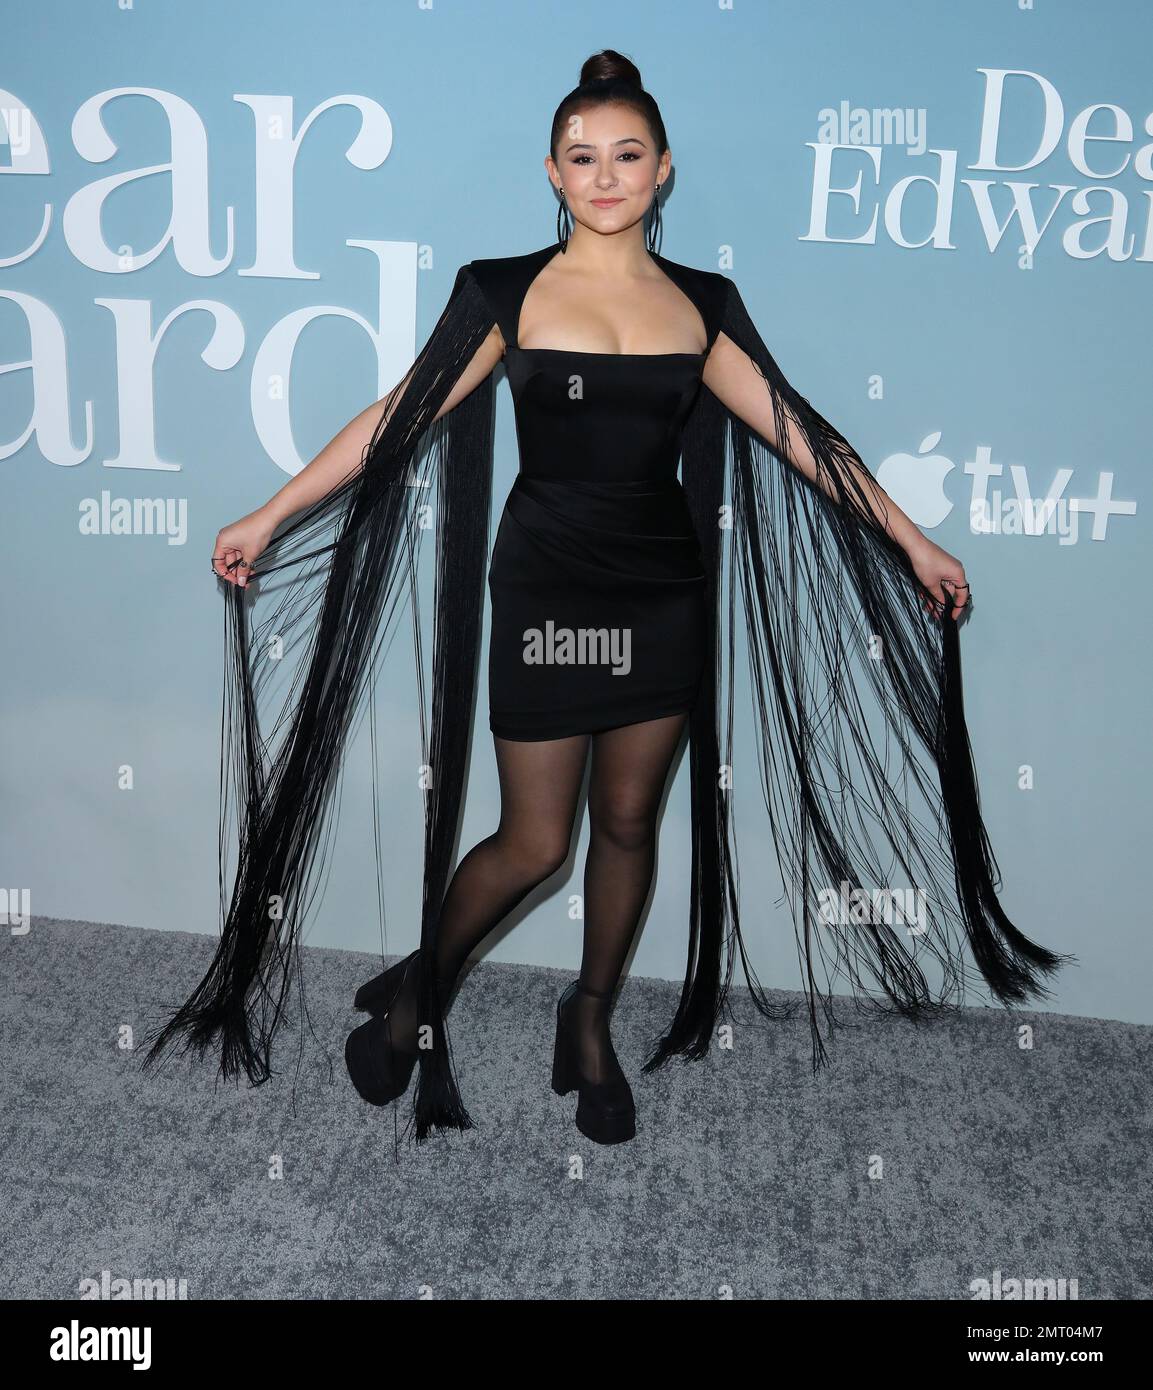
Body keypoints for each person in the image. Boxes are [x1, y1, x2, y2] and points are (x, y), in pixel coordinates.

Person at [141, 50, 1072, 1147]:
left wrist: (913, 542)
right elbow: (393, 415)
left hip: (661, 592)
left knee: (629, 819)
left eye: (626, 154)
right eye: (582, 157)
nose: (604, 174)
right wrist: (267, 514)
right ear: (552, 172)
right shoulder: (506, 291)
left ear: (662, 170)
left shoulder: (703, 306)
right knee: (535, 844)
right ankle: (415, 995)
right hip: (545, 590)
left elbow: (804, 435)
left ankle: (587, 1024)